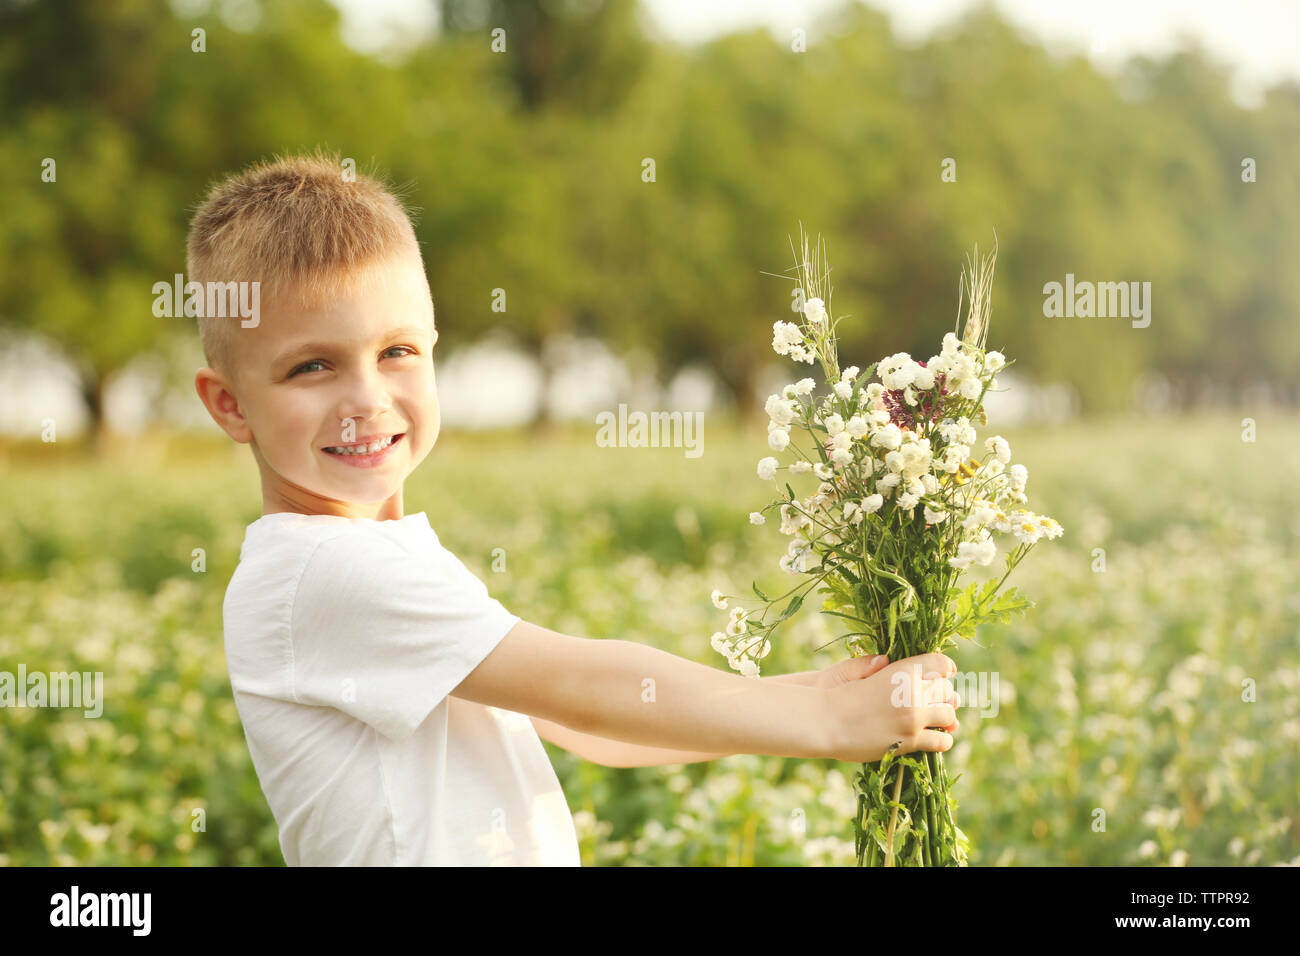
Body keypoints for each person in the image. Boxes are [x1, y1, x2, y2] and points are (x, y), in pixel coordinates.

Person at [190, 151, 961, 866]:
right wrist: (830, 727)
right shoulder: (324, 572)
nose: (366, 399)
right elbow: (586, 686)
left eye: (397, 352)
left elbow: (590, 729)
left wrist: (806, 695)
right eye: (312, 366)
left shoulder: (380, 558)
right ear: (231, 406)